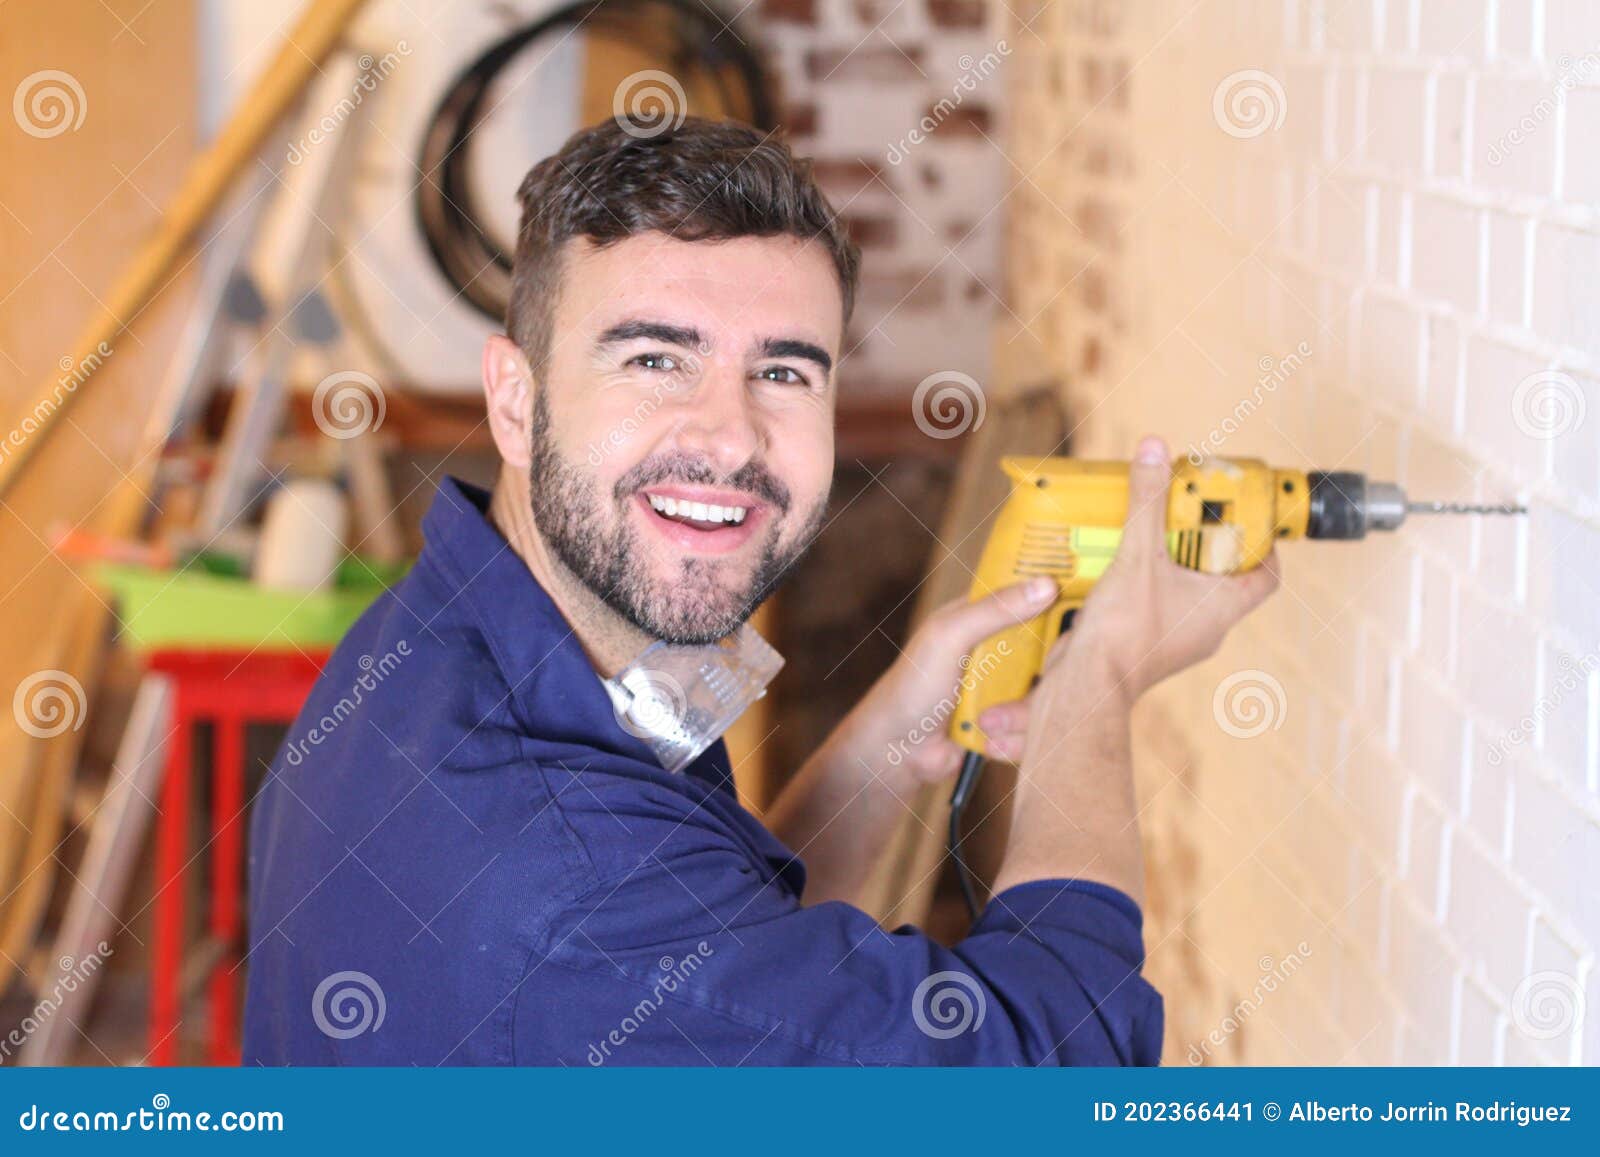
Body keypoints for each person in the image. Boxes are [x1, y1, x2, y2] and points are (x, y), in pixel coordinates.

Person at [242, 116, 1278, 1065]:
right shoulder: (569, 879)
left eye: (785, 373)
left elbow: (728, 955)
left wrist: (883, 742)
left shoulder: (439, 645)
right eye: (656, 358)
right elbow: (1058, 1067)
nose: (731, 435)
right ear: (515, 402)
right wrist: (1095, 679)